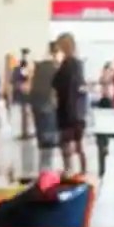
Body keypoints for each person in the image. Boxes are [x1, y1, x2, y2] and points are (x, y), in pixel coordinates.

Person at [52, 32, 88, 174]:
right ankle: (83, 171)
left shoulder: (66, 65)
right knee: (79, 145)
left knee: (65, 143)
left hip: (66, 109)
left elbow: (56, 83)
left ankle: (68, 169)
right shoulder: (79, 65)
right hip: (78, 110)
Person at [29, 41, 61, 169]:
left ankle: (42, 169)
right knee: (49, 138)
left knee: (41, 137)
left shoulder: (39, 65)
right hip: (49, 103)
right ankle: (46, 171)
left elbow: (32, 84)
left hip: (36, 101)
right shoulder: (56, 67)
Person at [10, 49, 32, 138]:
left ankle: (25, 131)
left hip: (24, 94)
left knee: (25, 113)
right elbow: (14, 81)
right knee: (24, 113)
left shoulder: (20, 69)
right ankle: (24, 132)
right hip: (22, 94)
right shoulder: (20, 69)